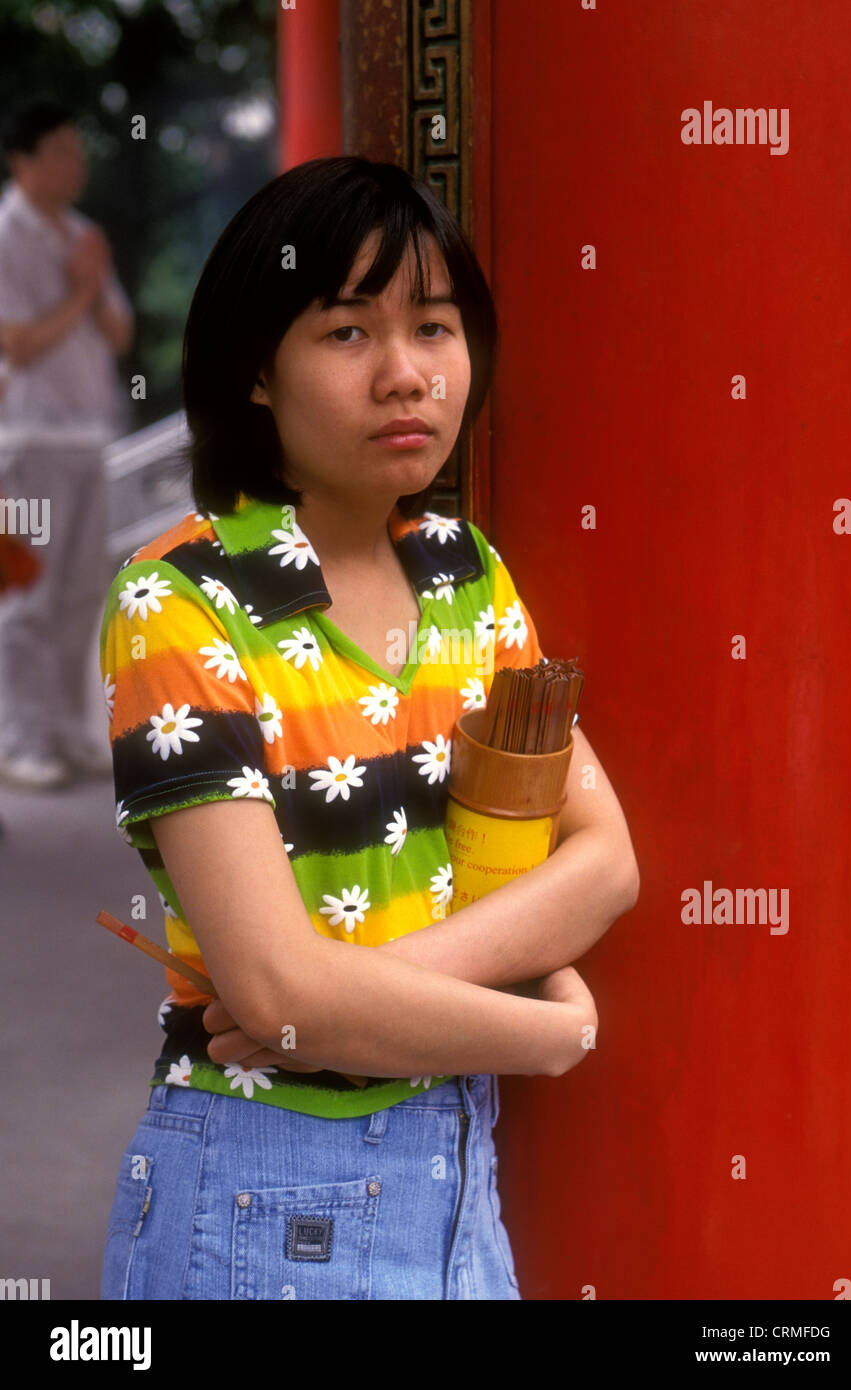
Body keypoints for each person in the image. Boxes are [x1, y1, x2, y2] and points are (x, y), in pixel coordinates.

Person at [98, 156, 640, 1300]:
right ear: (256, 367)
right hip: (257, 1188)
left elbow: (606, 863)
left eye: (434, 327)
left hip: (451, 1172)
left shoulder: (463, 574)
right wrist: (537, 1033)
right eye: (346, 333)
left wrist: (347, 1001)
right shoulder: (181, 602)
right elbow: (276, 990)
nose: (406, 374)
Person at [0, 100, 134, 789]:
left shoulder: (83, 232)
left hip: (90, 437)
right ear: (21, 161)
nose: (73, 164)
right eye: (58, 151)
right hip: (29, 440)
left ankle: (69, 733)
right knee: (29, 591)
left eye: (75, 151)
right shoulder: (7, 232)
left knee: (84, 590)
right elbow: (15, 344)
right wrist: (81, 293)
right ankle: (21, 738)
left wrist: (92, 288)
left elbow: (120, 335)